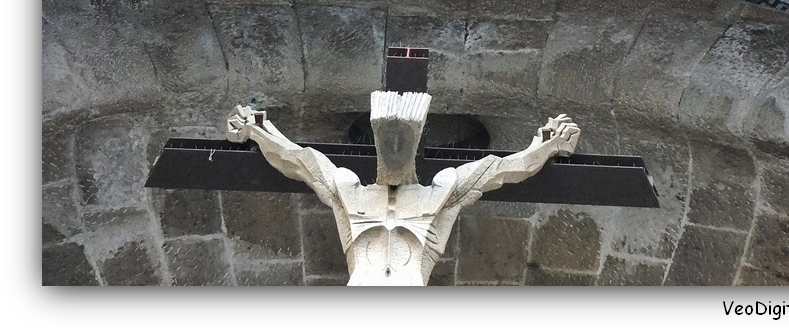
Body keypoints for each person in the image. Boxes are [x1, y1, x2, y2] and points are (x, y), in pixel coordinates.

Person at [226, 90, 580, 286]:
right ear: (377, 145)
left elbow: (500, 170)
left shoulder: (440, 192)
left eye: (402, 140)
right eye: (388, 140)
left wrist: (545, 145)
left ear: (414, 146)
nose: (394, 148)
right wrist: (256, 130)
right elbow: (298, 160)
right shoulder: (350, 191)